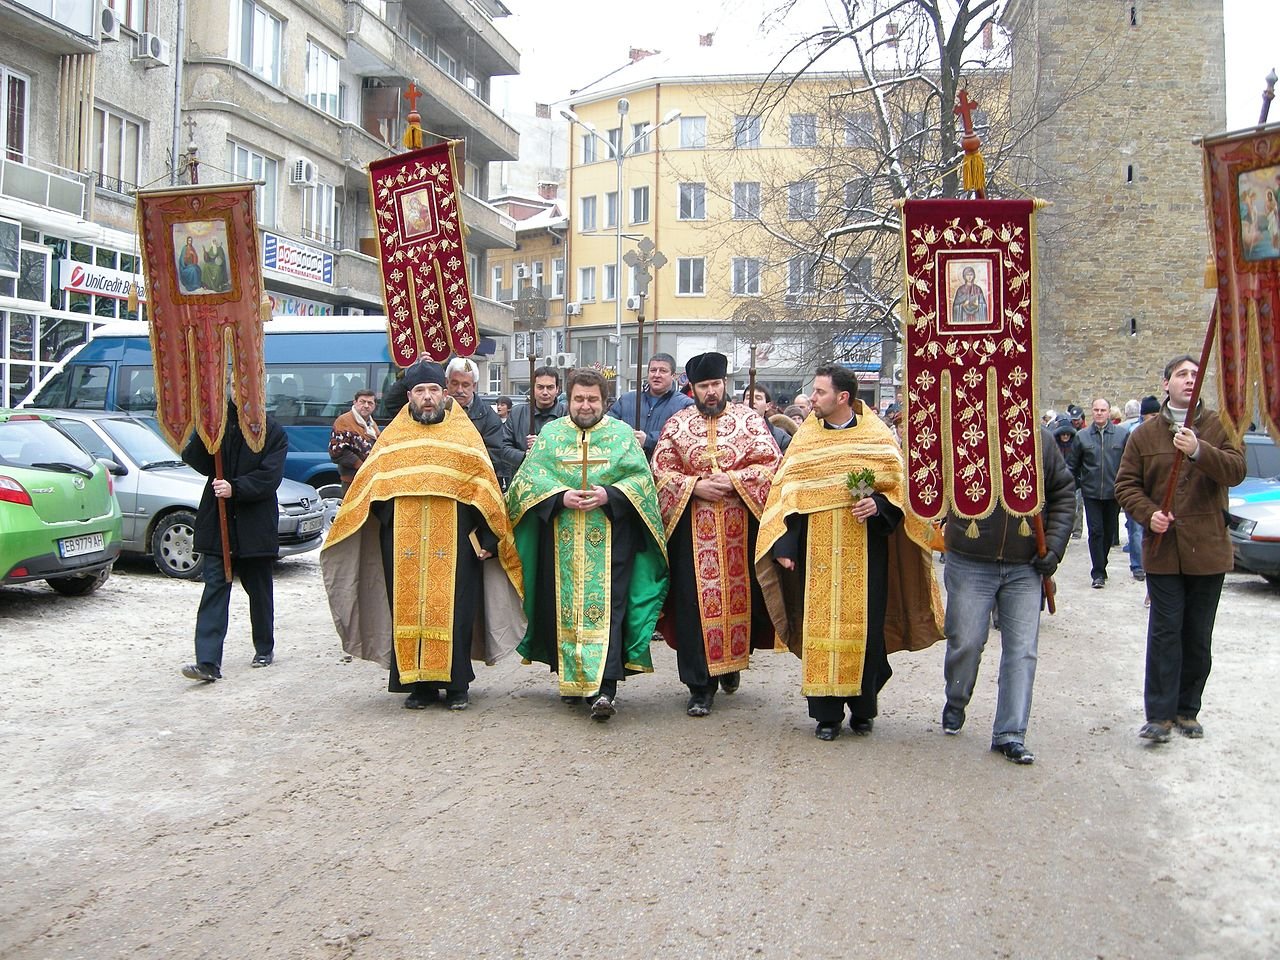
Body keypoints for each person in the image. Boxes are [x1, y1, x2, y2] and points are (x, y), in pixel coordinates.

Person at [320, 359, 525, 711]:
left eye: (433, 391)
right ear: (409, 397)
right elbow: (371, 488)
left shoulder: (464, 436)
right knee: (407, 611)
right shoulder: (392, 440)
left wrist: (489, 539)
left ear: (444, 395)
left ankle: (457, 684)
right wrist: (390, 516)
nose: (427, 398)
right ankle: (419, 686)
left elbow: (485, 490)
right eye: (420, 392)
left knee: (458, 611)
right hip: (402, 542)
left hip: (459, 542)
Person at [755, 364, 943, 740]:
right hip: (815, 551)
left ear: (843, 398)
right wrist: (785, 545)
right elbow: (787, 494)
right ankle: (826, 715)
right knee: (819, 627)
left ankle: (862, 708)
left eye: (821, 393)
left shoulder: (877, 438)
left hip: (866, 551)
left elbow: (897, 492)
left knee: (866, 631)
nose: (813, 400)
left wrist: (878, 506)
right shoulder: (806, 439)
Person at [507, 368, 669, 721]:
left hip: (611, 541)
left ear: (605, 401)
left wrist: (608, 494)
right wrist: (559, 496)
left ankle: (605, 688)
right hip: (560, 540)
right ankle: (574, 680)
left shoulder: (622, 436)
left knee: (609, 610)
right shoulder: (551, 435)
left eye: (592, 399)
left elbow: (642, 481)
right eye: (579, 399)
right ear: (569, 399)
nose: (585, 405)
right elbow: (527, 482)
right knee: (562, 611)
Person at [1115, 355, 1246, 743]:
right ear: (1166, 383)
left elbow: (1237, 472)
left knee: (1197, 633)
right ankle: (1159, 715)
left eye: (1195, 374)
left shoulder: (1220, 427)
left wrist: (1199, 451)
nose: (1190, 380)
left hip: (1207, 549)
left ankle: (1188, 709)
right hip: (1163, 550)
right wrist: (1149, 514)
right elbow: (1126, 486)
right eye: (1182, 375)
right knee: (1165, 631)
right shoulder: (1143, 435)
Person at [653, 353, 782, 717]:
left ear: (725, 383)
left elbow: (772, 463)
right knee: (694, 606)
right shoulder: (677, 424)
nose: (711, 393)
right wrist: (694, 486)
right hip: (692, 533)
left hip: (740, 531)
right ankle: (699, 687)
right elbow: (660, 471)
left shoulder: (749, 420)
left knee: (739, 600)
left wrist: (735, 480)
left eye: (715, 385)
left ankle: (730, 667)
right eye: (703, 387)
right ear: (691, 388)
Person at [941, 425, 1075, 764]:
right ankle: (956, 698)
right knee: (966, 642)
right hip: (971, 559)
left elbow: (1062, 493)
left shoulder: (1040, 439)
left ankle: (1010, 733)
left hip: (1025, 564)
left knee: (1023, 650)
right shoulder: (959, 430)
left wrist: (1054, 549)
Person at [179, 400, 288, 682]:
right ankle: (207, 662)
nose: (239, 392)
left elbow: (269, 477)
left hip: (255, 525)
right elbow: (199, 461)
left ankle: (264, 646)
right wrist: (198, 432)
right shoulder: (218, 425)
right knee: (214, 589)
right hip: (219, 523)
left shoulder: (272, 430)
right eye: (232, 385)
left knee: (259, 591)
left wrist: (235, 488)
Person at [1067, 397, 1129, 588]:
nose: (1099, 413)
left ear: (1109, 412)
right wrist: (1074, 486)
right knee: (1096, 531)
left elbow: (1128, 463)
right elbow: (1072, 465)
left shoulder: (1122, 435)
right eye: (1096, 410)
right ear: (1092, 412)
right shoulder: (1082, 437)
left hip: (1113, 492)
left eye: (1103, 410)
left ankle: (1103, 562)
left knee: (1109, 532)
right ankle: (1098, 572)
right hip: (1091, 492)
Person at [445, 357, 520, 488]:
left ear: (474, 386)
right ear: (447, 382)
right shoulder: (434, 410)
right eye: (455, 383)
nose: (459, 390)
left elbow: (493, 458)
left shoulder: (489, 417)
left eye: (465, 384)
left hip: (472, 486)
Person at [606, 352, 693, 459]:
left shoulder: (685, 404)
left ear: (673, 376)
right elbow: (607, 427)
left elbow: (685, 437)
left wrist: (648, 440)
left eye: (663, 371)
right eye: (653, 370)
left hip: (663, 469)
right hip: (628, 468)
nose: (657, 375)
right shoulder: (626, 400)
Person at [503, 366, 565, 470]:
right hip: (523, 477)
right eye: (540, 387)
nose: (545, 392)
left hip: (556, 479)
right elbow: (503, 448)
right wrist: (525, 456)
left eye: (550, 387)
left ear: (557, 389)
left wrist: (544, 447)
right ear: (533, 388)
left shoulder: (566, 414)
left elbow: (574, 449)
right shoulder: (517, 413)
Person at [328, 388, 380, 496]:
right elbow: (337, 452)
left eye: (370, 403)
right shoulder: (344, 421)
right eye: (362, 401)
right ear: (355, 403)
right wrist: (361, 467)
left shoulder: (371, 423)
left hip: (370, 478)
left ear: (374, 406)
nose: (366, 405)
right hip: (352, 480)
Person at [743, 384, 793, 453]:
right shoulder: (732, 434)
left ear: (768, 406)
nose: (753, 401)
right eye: (748, 398)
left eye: (758, 398)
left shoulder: (782, 439)